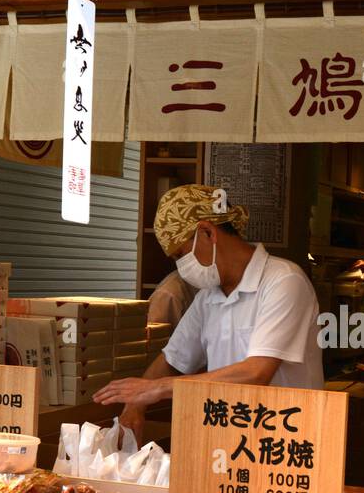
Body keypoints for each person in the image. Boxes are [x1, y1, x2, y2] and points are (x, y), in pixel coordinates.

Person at [95, 185, 323, 439]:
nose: (181, 266)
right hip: (229, 440)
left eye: (180, 254)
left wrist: (156, 389)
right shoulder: (208, 298)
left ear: (207, 232)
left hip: (284, 443)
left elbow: (256, 371)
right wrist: (135, 405)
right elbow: (172, 358)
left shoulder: (284, 281)